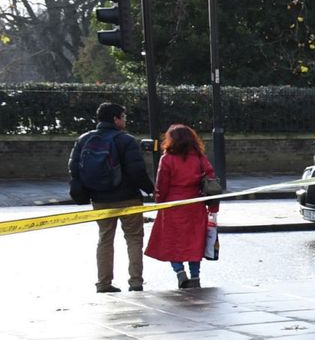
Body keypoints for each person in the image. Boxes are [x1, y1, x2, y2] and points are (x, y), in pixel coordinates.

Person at [69, 101, 154, 293]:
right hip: (128, 198)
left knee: (105, 238)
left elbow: (74, 169)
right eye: (123, 117)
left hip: (99, 199)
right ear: (115, 119)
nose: (125, 120)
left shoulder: (84, 139)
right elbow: (137, 171)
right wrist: (150, 189)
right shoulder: (126, 140)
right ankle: (135, 282)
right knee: (133, 238)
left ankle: (104, 284)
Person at [144, 124, 217, 289]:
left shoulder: (167, 158)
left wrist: (159, 202)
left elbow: (161, 184)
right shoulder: (199, 158)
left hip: (172, 205)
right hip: (195, 204)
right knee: (194, 241)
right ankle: (196, 276)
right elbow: (211, 179)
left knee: (172, 241)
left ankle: (180, 273)